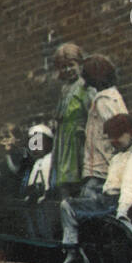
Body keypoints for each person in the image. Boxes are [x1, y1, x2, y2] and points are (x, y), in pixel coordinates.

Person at [59, 113, 132, 263]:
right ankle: (71, 249)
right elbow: (110, 184)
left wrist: (123, 210)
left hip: (122, 203)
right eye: (110, 136)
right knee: (68, 204)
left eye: (117, 136)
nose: (112, 140)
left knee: (70, 206)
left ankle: (75, 252)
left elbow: (131, 184)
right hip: (108, 200)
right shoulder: (118, 156)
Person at [80, 54, 128, 199]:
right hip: (108, 165)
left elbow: (118, 129)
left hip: (101, 167)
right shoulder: (114, 97)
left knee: (89, 200)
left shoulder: (103, 101)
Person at [51, 43, 89, 197]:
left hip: (77, 139)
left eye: (71, 65)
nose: (67, 70)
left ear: (79, 64)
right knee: (62, 179)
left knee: (76, 176)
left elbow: (90, 113)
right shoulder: (64, 89)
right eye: (63, 67)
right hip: (63, 139)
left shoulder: (85, 87)